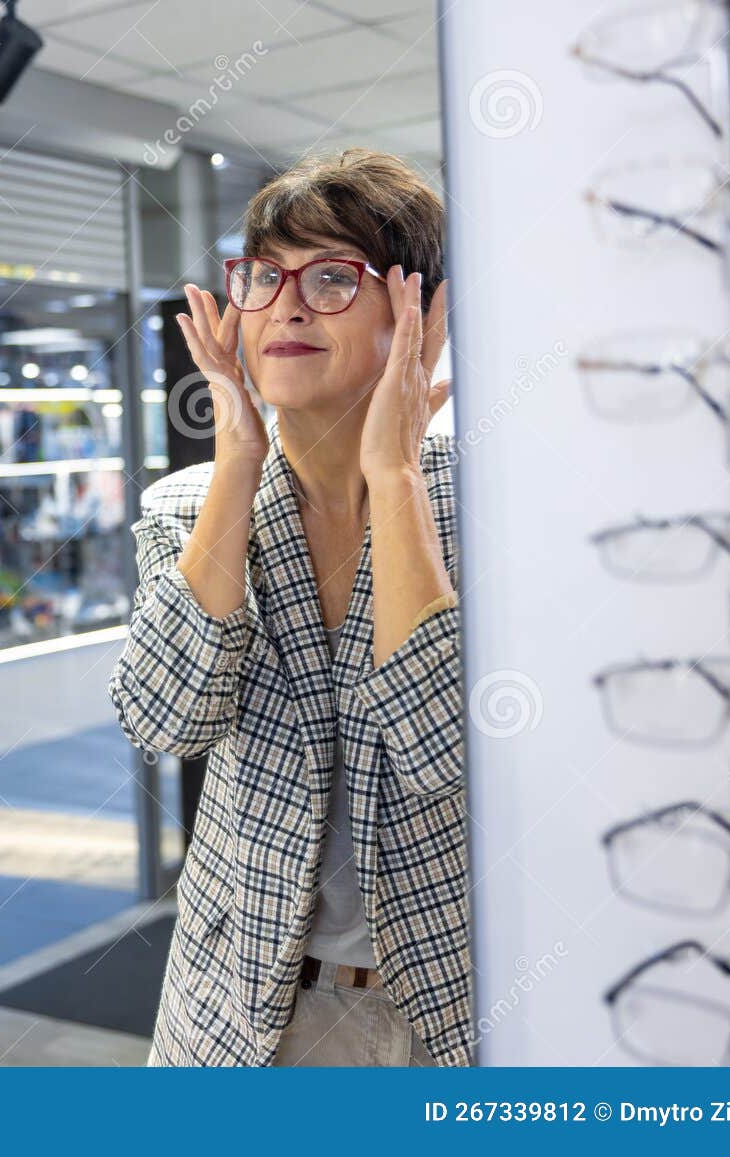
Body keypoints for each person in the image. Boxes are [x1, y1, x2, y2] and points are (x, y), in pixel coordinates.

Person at [110, 149, 469, 1066]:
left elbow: (445, 753)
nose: (288, 304)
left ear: (421, 313)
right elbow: (165, 719)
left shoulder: (482, 513)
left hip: (443, 1012)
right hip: (237, 1010)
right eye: (266, 275)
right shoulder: (189, 508)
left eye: (336, 276)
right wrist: (236, 457)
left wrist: (392, 472)